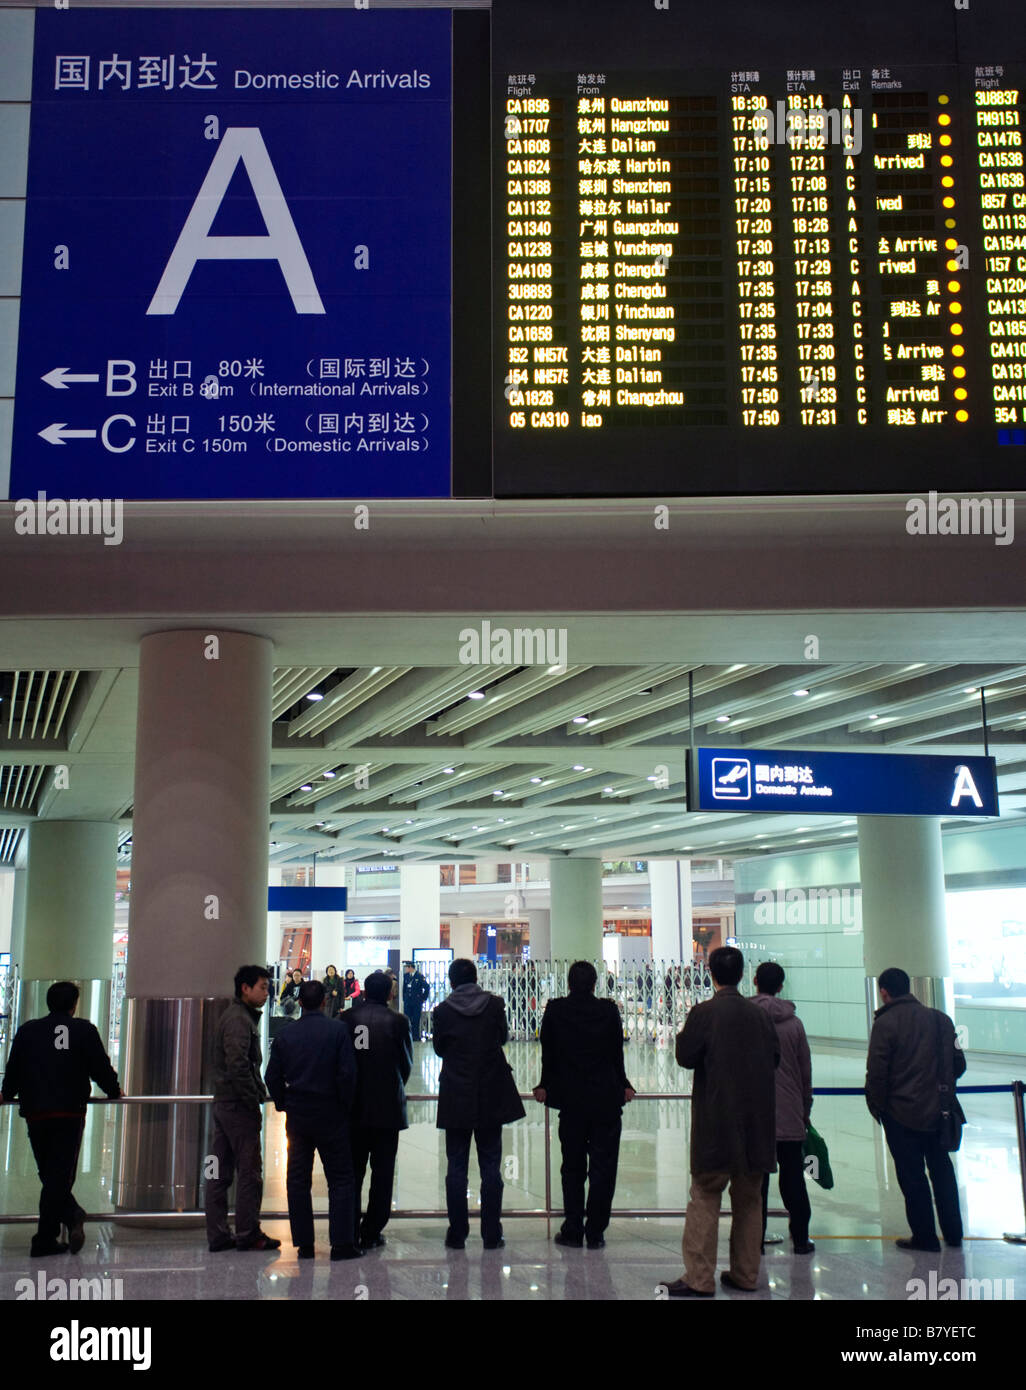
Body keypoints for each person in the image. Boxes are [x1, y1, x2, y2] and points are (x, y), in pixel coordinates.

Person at [665, 945, 779, 1297]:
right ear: (743, 975)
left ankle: (699, 1278)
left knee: (704, 1195)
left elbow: (685, 1055)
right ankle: (746, 1274)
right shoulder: (760, 1016)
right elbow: (774, 1057)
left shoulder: (705, 1013)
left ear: (710, 973)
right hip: (756, 1124)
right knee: (749, 1200)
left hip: (716, 1121)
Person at [0, 981, 121, 1257]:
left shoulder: (28, 1030)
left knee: (49, 1174)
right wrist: (114, 1090)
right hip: (69, 1112)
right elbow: (100, 1067)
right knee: (59, 1176)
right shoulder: (84, 1030)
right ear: (74, 1004)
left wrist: (7, 1093)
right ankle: (62, 1224)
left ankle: (53, 1232)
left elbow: (14, 1068)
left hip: (37, 1112)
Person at [533, 960, 635, 1249]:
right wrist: (624, 1083)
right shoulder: (608, 1010)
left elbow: (548, 1054)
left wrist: (545, 1086)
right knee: (603, 1168)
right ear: (594, 984)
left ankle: (573, 1226)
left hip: (572, 1100)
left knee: (573, 1167)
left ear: (568, 983)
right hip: (605, 1099)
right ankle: (596, 1230)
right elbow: (617, 1053)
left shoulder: (555, 1010)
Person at [865, 966, 966, 1252]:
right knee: (943, 1171)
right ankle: (954, 1233)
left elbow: (877, 1073)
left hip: (901, 1115)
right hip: (939, 1112)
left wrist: (879, 1107)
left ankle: (925, 1236)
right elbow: (959, 1064)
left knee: (913, 1177)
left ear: (884, 992)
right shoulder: (941, 1020)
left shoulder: (884, 1024)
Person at [432, 958, 525, 1250]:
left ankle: (457, 1233)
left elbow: (438, 1049)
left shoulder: (443, 1011)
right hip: (490, 1094)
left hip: (456, 1094)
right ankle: (491, 1234)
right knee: (491, 1166)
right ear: (477, 978)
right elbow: (503, 1038)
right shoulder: (494, 1005)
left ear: (451, 981)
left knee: (456, 1166)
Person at [265, 979, 361, 1260]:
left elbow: (272, 1076)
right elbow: (348, 1074)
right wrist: (344, 1105)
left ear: (300, 1003)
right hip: (331, 1114)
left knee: (297, 1179)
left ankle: (304, 1244)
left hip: (299, 1116)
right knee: (341, 1178)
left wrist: (284, 1103)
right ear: (323, 1002)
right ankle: (342, 1244)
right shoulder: (338, 1031)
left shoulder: (286, 1034)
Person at [206, 965, 280, 1253]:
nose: (267, 992)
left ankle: (218, 1234)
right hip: (237, 1106)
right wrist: (253, 1099)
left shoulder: (238, 1016)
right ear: (245, 988)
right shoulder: (239, 1020)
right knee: (248, 1172)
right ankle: (248, 1232)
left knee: (219, 1172)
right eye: (262, 986)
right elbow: (238, 1064)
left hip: (225, 1103)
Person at [340, 971, 413, 1248]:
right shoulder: (398, 1021)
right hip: (387, 1109)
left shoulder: (346, 1018)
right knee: (383, 1172)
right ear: (390, 993)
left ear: (365, 991)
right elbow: (405, 1064)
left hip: (353, 1108)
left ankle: (349, 1226)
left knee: (353, 1171)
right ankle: (372, 1229)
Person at [752, 962, 814, 1254]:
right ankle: (800, 1239)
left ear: (754, 982)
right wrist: (805, 1107)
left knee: (756, 1182)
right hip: (789, 1110)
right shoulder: (795, 1023)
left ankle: (755, 1241)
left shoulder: (747, 1018)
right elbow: (804, 1070)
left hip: (755, 1112)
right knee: (793, 1179)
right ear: (781, 986)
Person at [402, 961, 431, 1042]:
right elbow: (404, 989)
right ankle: (408, 1036)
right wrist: (404, 998)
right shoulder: (406, 976)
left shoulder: (419, 976)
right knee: (407, 1019)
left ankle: (415, 1036)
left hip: (416, 1002)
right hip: (408, 1001)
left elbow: (427, 987)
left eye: (407, 967)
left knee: (416, 1019)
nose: (406, 969)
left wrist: (423, 998)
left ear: (411, 967)